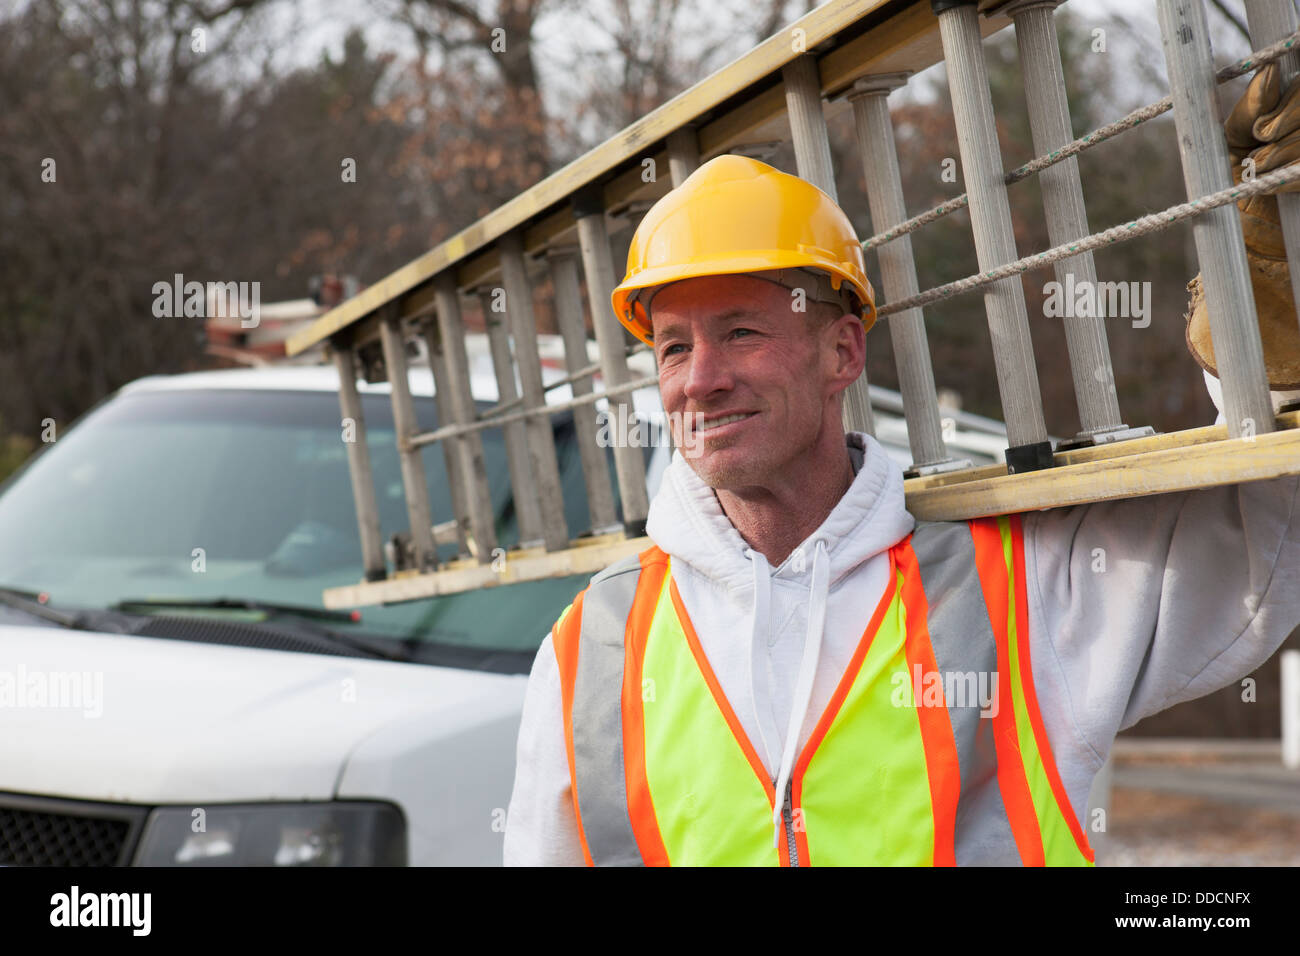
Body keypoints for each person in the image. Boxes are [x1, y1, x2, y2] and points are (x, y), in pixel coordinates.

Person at [504, 84, 1300, 864]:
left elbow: (1266, 532)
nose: (700, 378)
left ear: (842, 352)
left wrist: (1276, 312)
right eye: (674, 346)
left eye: (741, 332)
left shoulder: (1021, 594)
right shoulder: (588, 650)